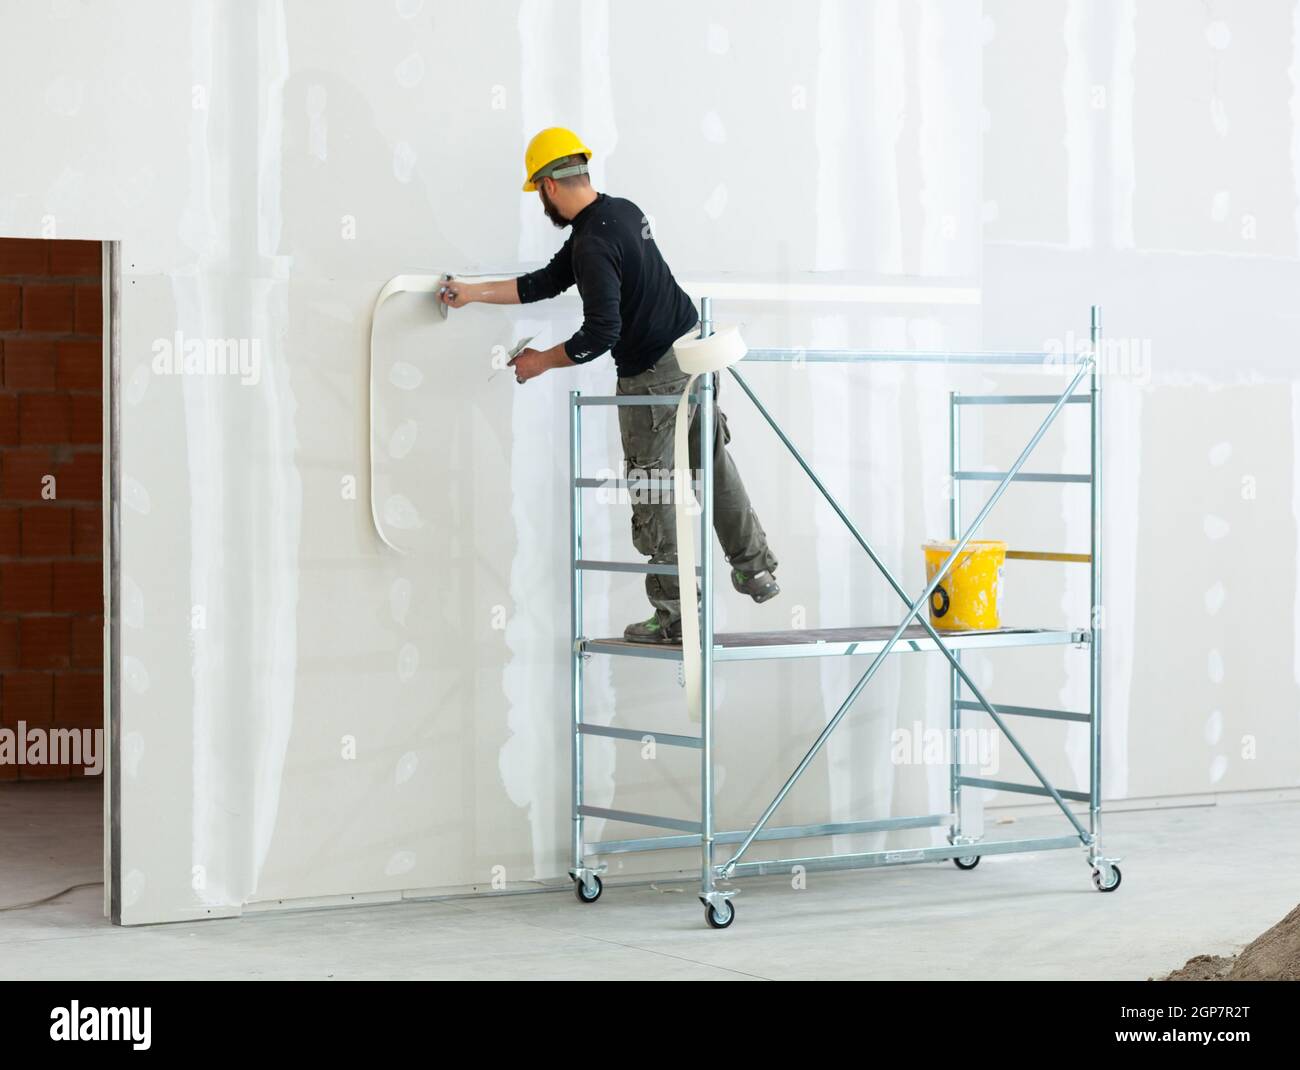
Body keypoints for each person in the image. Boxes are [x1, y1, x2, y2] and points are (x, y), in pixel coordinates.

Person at [438, 127, 778, 643]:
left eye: (538, 194)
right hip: (692, 352)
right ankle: (756, 570)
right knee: (711, 465)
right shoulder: (619, 213)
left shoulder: (592, 242)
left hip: (653, 377)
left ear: (549, 187)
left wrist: (540, 363)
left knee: (655, 489)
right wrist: (473, 292)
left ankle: (677, 618)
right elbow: (544, 282)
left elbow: (601, 333)